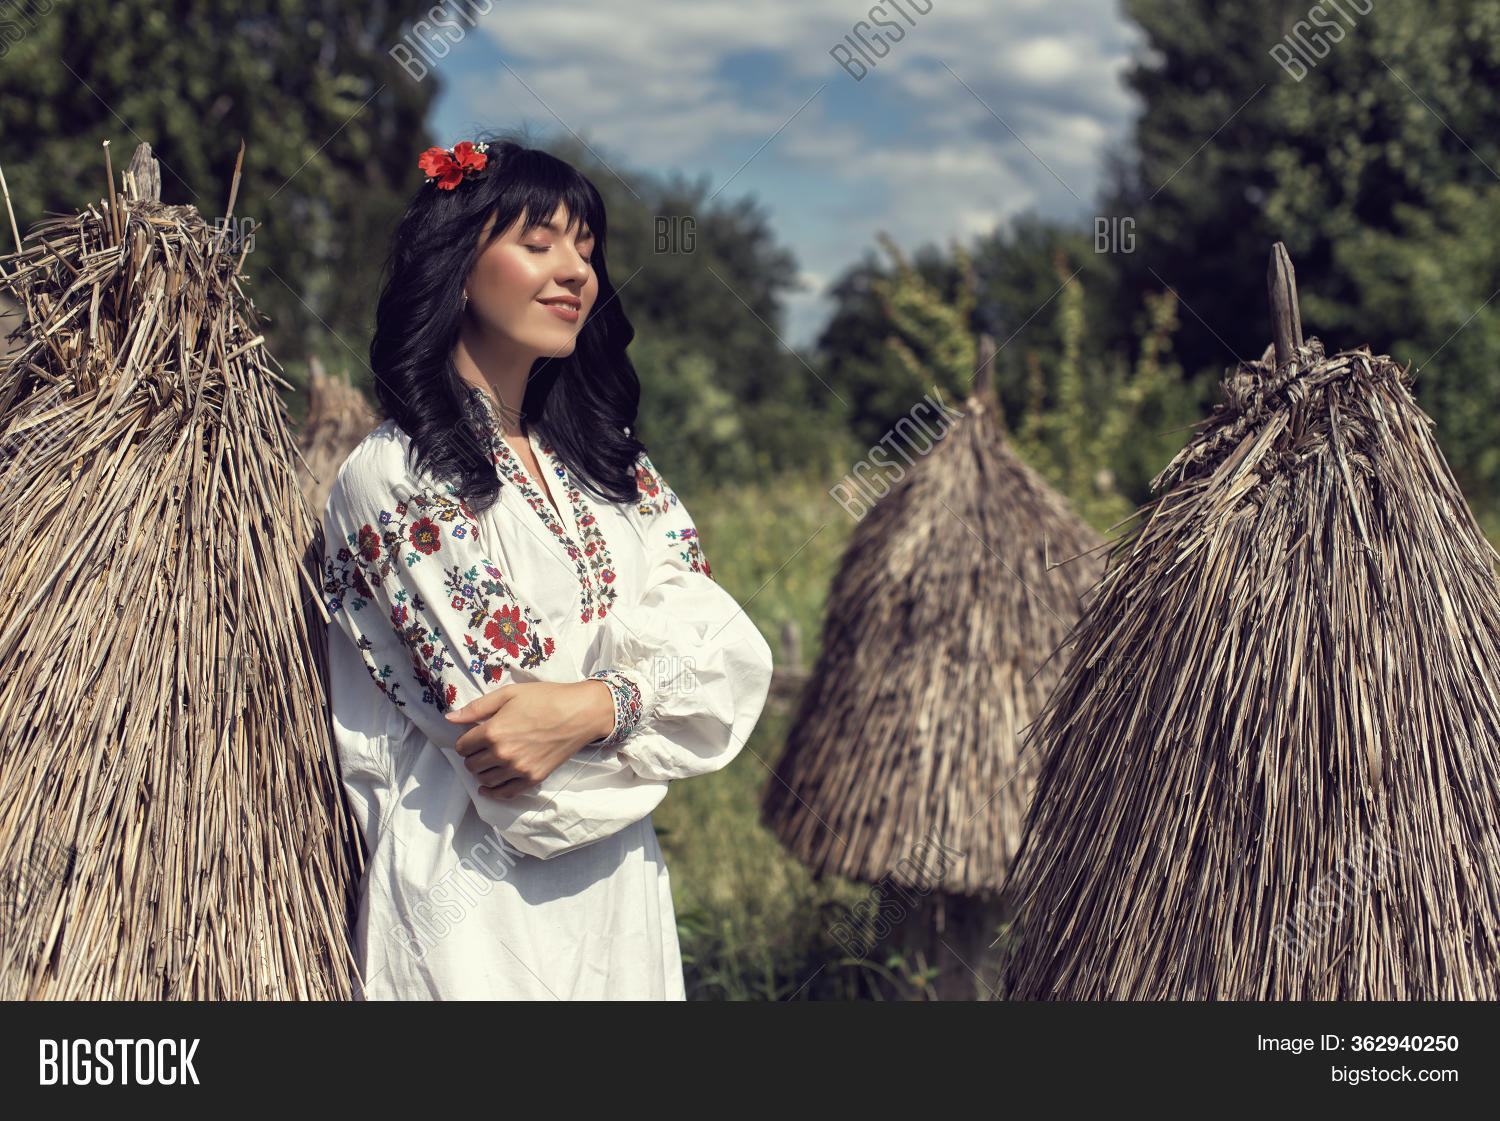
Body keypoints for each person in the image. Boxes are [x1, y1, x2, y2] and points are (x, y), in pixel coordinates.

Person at [319, 136, 774, 999]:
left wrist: (599, 703)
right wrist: (648, 706)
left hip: (623, 899)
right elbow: (525, 776)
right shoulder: (394, 477)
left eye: (587, 249)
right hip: (471, 912)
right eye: (539, 243)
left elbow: (730, 660)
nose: (576, 272)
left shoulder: (615, 471)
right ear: (459, 266)